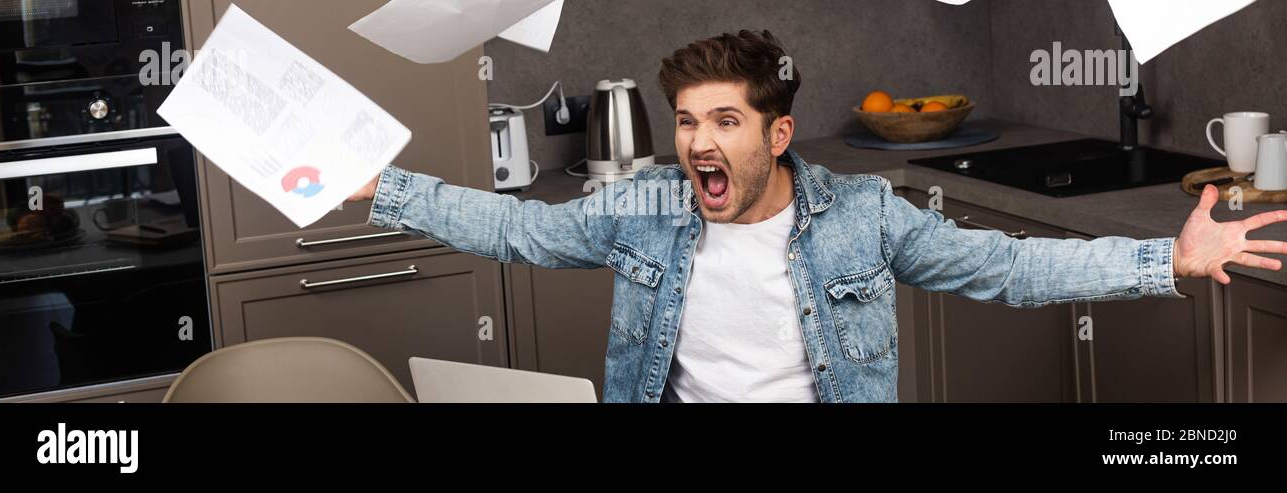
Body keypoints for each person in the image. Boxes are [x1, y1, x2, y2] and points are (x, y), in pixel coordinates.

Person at [346, 30, 1287, 403]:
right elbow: (519, 232)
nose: (698, 143)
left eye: (724, 121)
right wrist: (385, 187)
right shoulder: (644, 209)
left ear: (777, 130)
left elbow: (1008, 267)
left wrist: (1167, 257)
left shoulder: (864, 215)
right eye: (686, 122)